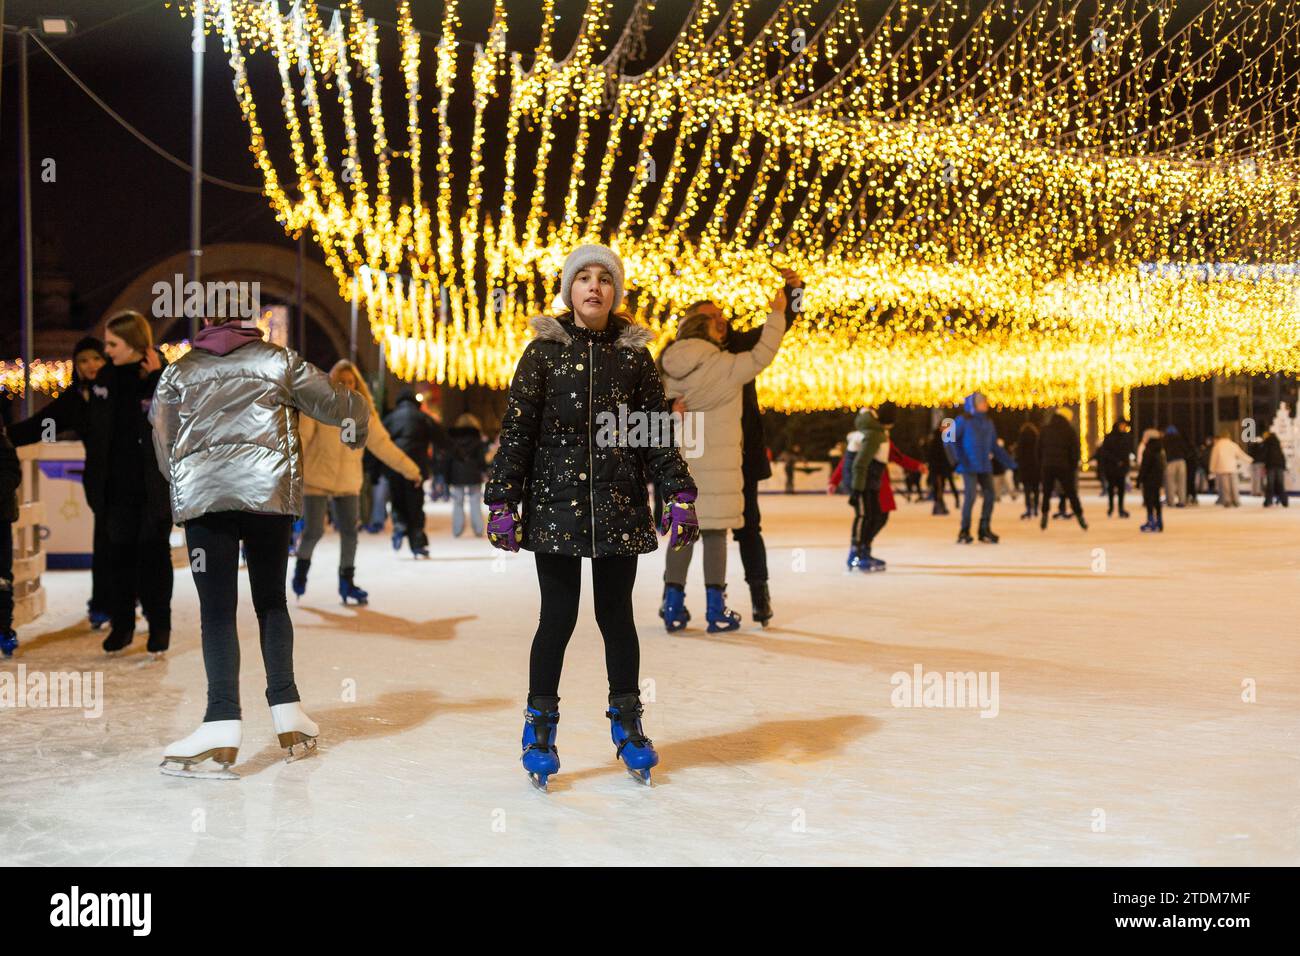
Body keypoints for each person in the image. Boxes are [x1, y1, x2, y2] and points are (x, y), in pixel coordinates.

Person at [484, 243, 698, 791]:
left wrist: (678, 492)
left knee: (616, 619)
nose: (595, 287)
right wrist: (502, 500)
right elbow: (518, 433)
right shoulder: (543, 354)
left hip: (619, 505)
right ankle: (539, 728)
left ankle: (627, 723)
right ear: (570, 290)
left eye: (605, 279)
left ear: (615, 292)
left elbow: (655, 435)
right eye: (585, 278)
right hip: (556, 505)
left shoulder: (633, 358)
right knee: (556, 619)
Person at [151, 316, 369, 779]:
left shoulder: (179, 370)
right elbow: (337, 404)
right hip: (268, 498)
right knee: (271, 602)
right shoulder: (279, 362)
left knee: (216, 610)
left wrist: (188, 482)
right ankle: (287, 709)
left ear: (205, 327)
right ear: (250, 326)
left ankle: (221, 720)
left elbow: (163, 437)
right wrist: (359, 421)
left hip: (205, 502)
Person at [658, 275, 791, 632]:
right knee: (715, 533)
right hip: (721, 467)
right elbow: (766, 351)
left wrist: (671, 404)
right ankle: (716, 609)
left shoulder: (666, 365)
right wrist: (778, 312)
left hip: (683, 465)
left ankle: (672, 604)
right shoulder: (728, 365)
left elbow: (647, 406)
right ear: (709, 331)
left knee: (683, 532)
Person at [294, 360, 421, 604]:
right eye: (340, 381)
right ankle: (301, 572)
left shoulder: (364, 415)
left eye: (350, 382)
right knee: (314, 531)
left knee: (350, 533)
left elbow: (384, 446)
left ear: (357, 384)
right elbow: (301, 439)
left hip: (348, 481)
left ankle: (347, 582)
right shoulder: (317, 407)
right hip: (316, 478)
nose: (346, 386)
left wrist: (411, 470)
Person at [6, 336, 113, 627]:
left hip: (133, 478)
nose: (91, 365)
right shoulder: (75, 400)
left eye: (96, 358)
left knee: (132, 540)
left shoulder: (122, 389)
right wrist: (5, 437)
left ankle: (129, 596)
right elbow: (42, 424)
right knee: (105, 540)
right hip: (101, 481)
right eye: (83, 361)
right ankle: (103, 604)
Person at [97, 311, 174, 657]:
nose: (107, 349)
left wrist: (158, 374)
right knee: (120, 559)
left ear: (133, 344)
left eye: (113, 343)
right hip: (117, 490)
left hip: (153, 488)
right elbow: (79, 417)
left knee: (154, 559)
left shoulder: (161, 376)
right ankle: (123, 625)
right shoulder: (106, 378)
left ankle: (159, 626)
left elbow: (177, 413)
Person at [849, 401, 924, 571]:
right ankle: (857, 553)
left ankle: (864, 550)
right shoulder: (872, 434)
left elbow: (895, 455)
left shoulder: (879, 433)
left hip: (876, 482)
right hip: (868, 482)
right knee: (867, 517)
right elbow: (854, 462)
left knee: (877, 517)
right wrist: (843, 483)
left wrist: (916, 465)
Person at [946, 391, 1017, 543]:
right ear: (975, 404)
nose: (986, 405)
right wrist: (957, 460)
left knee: (990, 495)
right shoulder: (962, 420)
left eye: (986, 402)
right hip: (968, 465)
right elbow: (948, 439)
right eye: (983, 402)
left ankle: (984, 528)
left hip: (984, 465)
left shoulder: (988, 422)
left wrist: (1011, 463)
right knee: (970, 497)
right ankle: (964, 531)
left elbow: (994, 447)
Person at [382, 388, 446, 557]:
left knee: (397, 500)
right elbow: (442, 438)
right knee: (415, 505)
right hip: (415, 470)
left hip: (394, 467)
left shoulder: (390, 418)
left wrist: (375, 471)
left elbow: (379, 442)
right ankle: (417, 543)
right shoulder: (422, 418)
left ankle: (399, 524)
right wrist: (460, 455)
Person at [1037, 407, 1087, 531]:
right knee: (1071, 492)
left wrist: (1042, 463)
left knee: (1047, 493)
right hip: (1064, 466)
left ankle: (1044, 515)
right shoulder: (1069, 431)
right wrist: (1073, 467)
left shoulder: (1045, 429)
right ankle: (1080, 516)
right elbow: (1074, 451)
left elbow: (1038, 449)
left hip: (1047, 465)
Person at [445, 412, 491, 537]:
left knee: (457, 502)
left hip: (457, 473)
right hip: (473, 473)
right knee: (475, 501)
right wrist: (485, 471)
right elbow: (481, 459)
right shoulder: (477, 439)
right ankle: (478, 529)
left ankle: (457, 529)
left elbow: (448, 458)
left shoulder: (452, 439)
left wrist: (446, 476)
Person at [0, 425, 20, 658]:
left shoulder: (2, 442)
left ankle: (4, 628)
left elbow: (11, 471)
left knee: (2, 577)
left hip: (0, 518)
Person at [1093, 419, 1132, 517]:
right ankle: (1111, 508)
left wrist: (1125, 465)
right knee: (1111, 489)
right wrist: (1116, 461)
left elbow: (1126, 453)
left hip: (1121, 468)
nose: (1123, 427)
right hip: (1111, 468)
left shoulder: (1126, 437)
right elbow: (1105, 452)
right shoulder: (1109, 437)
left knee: (1121, 489)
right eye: (1122, 425)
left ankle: (1120, 508)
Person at [1209, 428, 1252, 507]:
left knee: (1225, 487)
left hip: (1222, 468)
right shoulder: (1233, 445)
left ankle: (1227, 501)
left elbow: (1214, 458)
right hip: (1232, 468)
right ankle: (1236, 500)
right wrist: (1250, 460)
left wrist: (1212, 468)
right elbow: (1241, 454)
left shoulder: (1217, 445)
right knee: (1234, 485)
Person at [926, 423, 959, 515]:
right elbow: (935, 455)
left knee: (940, 487)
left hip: (941, 468)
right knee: (939, 487)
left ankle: (940, 506)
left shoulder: (943, 439)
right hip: (938, 468)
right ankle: (939, 507)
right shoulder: (938, 439)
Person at [1137, 430, 1166, 532]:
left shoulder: (1148, 450)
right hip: (1157, 479)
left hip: (1149, 479)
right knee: (1156, 500)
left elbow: (1144, 466)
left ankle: (1151, 521)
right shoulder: (1160, 449)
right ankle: (1159, 521)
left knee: (1149, 500)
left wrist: (1139, 479)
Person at [1015, 422, 1041, 520]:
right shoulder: (1037, 439)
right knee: (1036, 489)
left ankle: (1028, 508)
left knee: (1027, 490)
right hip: (1036, 468)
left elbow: (1019, 454)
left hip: (1025, 468)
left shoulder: (1021, 440)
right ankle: (1036, 509)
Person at [1162, 424, 1190, 508]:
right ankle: (1182, 501)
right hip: (1181, 461)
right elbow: (1186, 450)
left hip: (1170, 462)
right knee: (1181, 482)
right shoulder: (1180, 439)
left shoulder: (1165, 439)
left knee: (1170, 483)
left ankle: (1170, 501)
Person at [1259, 430, 1288, 507]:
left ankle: (1268, 501)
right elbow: (1282, 455)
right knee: (1280, 483)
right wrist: (1284, 465)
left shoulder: (1266, 442)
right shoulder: (1277, 442)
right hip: (1279, 465)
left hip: (1271, 465)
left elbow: (1264, 453)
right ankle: (1284, 501)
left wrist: (1261, 461)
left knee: (1270, 484)